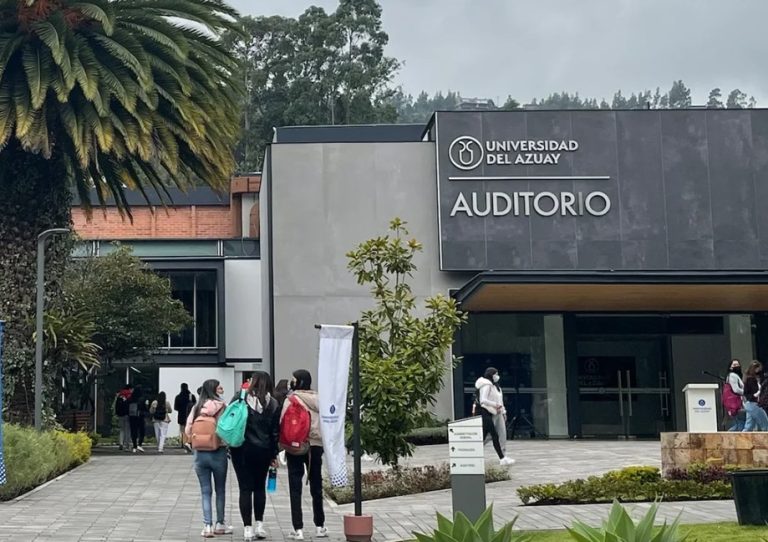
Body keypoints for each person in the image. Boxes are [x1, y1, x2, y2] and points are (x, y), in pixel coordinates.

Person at [230, 371, 280, 541]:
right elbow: (275, 432)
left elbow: (230, 419)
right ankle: (259, 525)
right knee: (259, 487)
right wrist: (274, 454)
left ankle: (247, 529)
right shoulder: (272, 403)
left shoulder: (240, 398)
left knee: (245, 488)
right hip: (263, 451)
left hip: (241, 450)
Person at [280, 369, 327, 541]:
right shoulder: (320, 399)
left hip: (296, 445)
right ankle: (320, 526)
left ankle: (298, 528)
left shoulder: (292, 399)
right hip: (315, 445)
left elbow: (282, 422)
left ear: (297, 381)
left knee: (295, 486)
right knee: (316, 484)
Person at [185, 379, 233, 538]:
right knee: (220, 490)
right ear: (214, 389)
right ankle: (220, 524)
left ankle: (207, 526)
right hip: (218, 452)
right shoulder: (222, 407)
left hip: (200, 453)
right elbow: (227, 428)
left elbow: (187, 430)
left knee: (205, 491)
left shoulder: (197, 407)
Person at [475, 368, 515, 466]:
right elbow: (483, 400)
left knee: (501, 434)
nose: (497, 376)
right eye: (495, 374)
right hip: (488, 412)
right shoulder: (486, 385)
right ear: (491, 375)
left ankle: (503, 456)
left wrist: (503, 411)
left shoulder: (496, 387)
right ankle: (500, 457)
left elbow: (500, 401)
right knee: (490, 435)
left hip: (498, 412)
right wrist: (495, 404)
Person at [742, 361, 768, 432]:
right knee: (765, 423)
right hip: (753, 403)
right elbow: (749, 393)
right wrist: (756, 394)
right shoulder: (751, 380)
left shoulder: (747, 378)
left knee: (749, 425)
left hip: (749, 404)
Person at [725, 360, 746, 431]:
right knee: (739, 424)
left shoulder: (734, 376)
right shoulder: (733, 376)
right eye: (734, 365)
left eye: (737, 364)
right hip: (736, 403)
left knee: (738, 423)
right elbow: (736, 389)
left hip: (735, 403)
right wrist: (746, 392)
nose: (736, 366)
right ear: (730, 367)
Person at [174, 383, 195, 451]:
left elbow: (176, 407)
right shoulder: (191, 396)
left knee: (182, 430)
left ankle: (184, 443)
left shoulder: (178, 397)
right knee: (190, 430)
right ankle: (190, 442)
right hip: (190, 415)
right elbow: (195, 406)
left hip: (181, 416)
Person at [127, 386, 148, 453]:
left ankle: (134, 446)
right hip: (140, 417)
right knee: (142, 431)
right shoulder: (142, 399)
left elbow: (127, 407)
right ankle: (139, 444)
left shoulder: (130, 398)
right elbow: (145, 408)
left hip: (132, 417)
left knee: (133, 432)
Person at [114, 385, 133, 451]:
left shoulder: (120, 395)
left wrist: (117, 413)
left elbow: (116, 406)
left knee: (121, 429)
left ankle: (121, 443)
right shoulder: (129, 395)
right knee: (127, 430)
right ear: (130, 389)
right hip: (127, 415)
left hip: (120, 415)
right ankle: (127, 444)